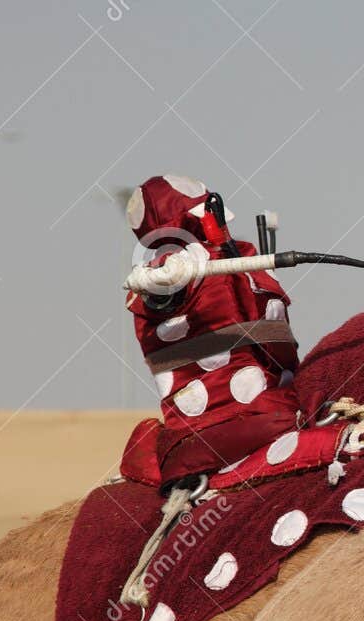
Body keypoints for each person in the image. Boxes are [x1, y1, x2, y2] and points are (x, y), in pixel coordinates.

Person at [125, 174, 300, 486]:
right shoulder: (220, 266)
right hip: (261, 420)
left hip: (191, 440)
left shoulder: (144, 290)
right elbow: (278, 349)